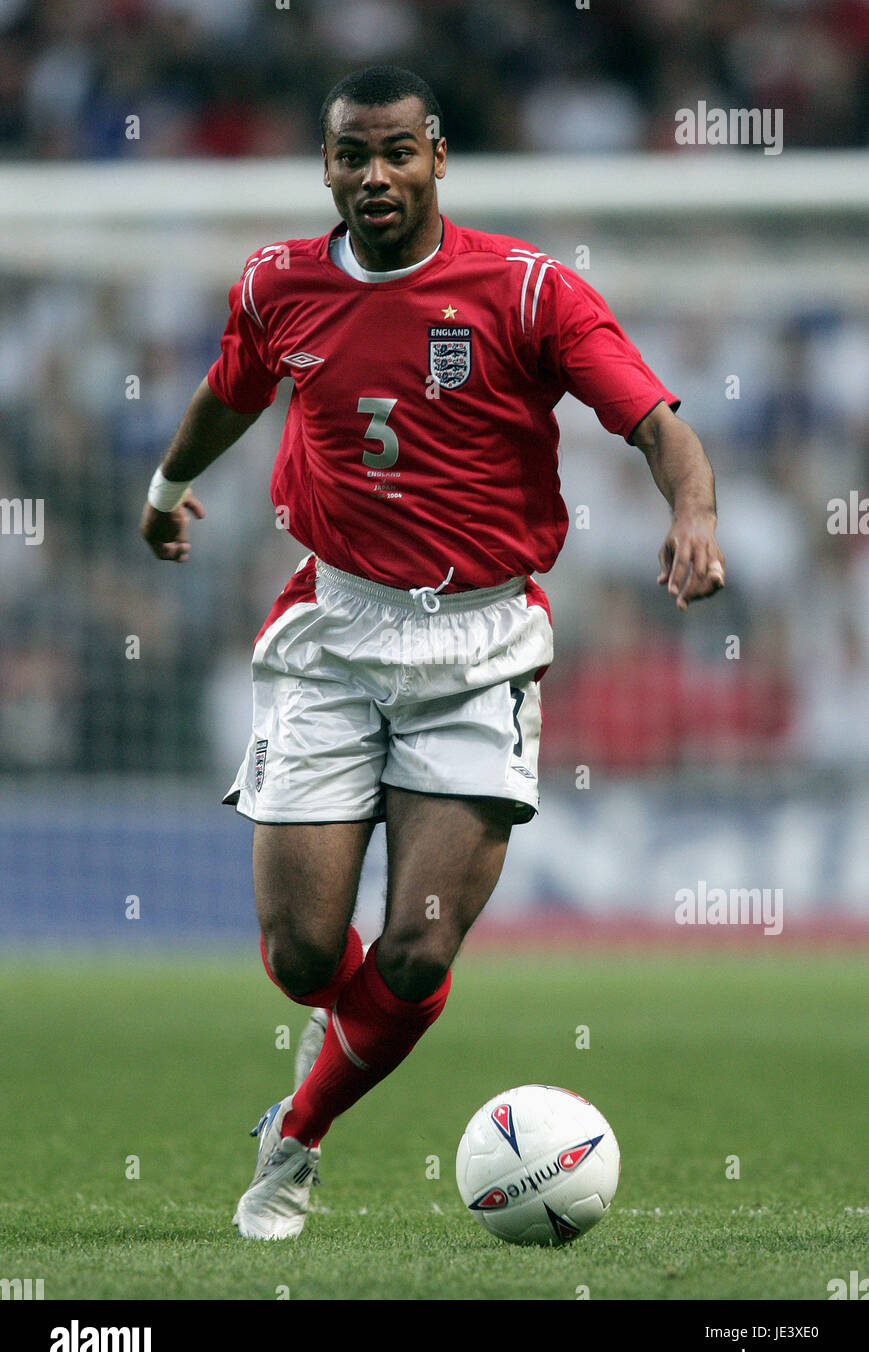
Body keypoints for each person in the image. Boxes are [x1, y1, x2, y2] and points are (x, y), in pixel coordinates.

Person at [140, 65, 725, 1240]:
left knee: (411, 949)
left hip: (480, 639)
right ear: (325, 167)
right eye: (352, 154)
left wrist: (693, 511)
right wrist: (167, 485)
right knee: (306, 955)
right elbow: (226, 392)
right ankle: (332, 1025)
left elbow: (655, 423)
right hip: (333, 627)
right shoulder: (278, 285)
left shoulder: (526, 292)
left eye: (397, 152)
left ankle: (293, 1142)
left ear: (438, 158)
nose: (375, 175)